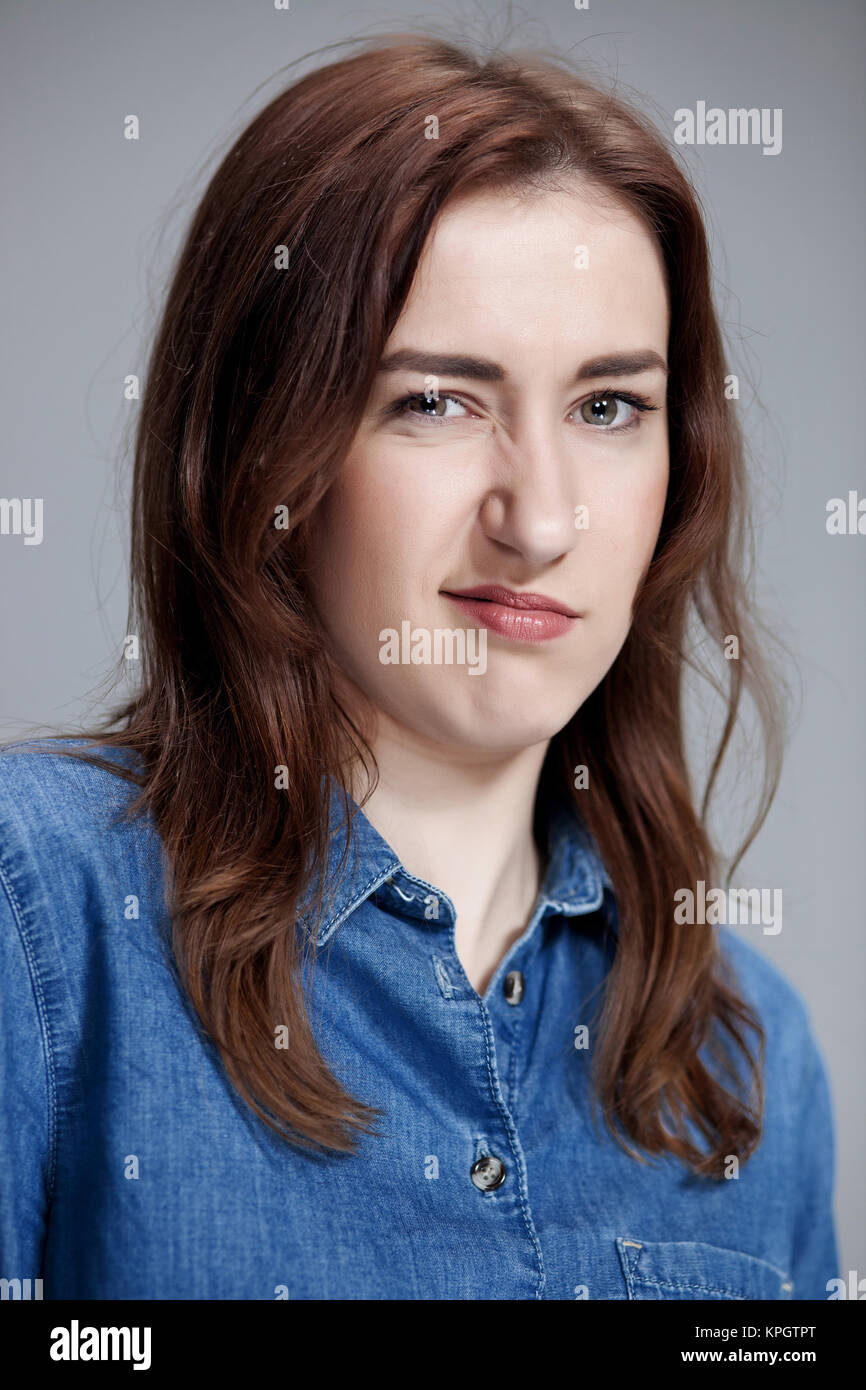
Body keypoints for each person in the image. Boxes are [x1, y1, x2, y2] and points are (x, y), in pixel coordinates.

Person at [0, 33, 838, 1300]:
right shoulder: (40, 917)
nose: (540, 517)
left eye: (607, 406)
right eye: (437, 402)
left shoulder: (748, 1056)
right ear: (266, 450)